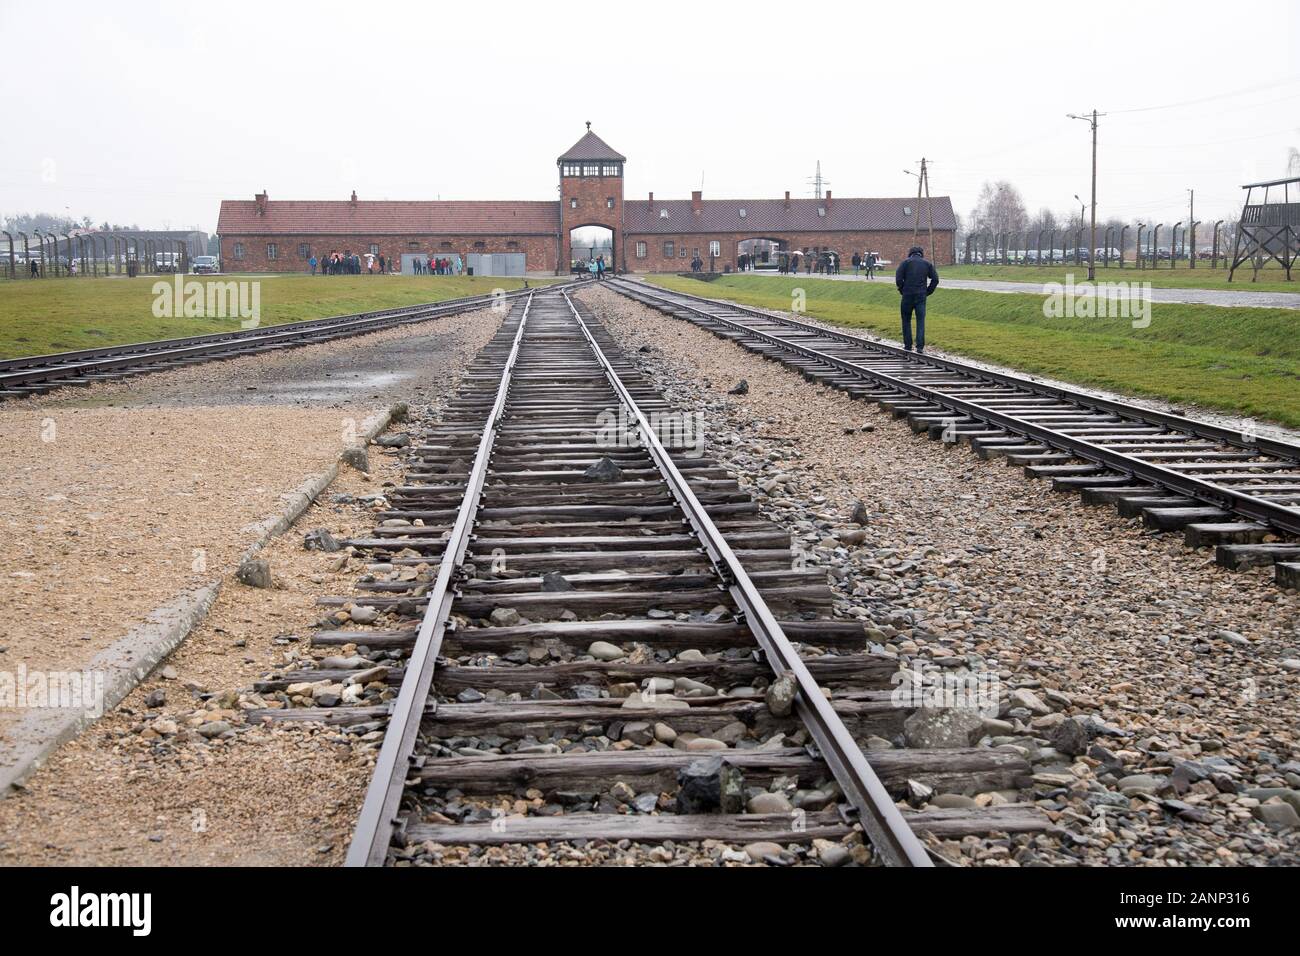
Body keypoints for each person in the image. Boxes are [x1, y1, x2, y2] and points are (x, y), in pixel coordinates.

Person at [895, 245, 939, 354]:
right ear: (921, 254)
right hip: (921, 296)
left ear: (910, 253)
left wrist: (902, 289)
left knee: (906, 320)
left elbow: (898, 278)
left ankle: (908, 345)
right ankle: (920, 347)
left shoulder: (905, 263)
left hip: (907, 295)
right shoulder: (927, 264)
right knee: (920, 320)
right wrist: (928, 291)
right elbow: (935, 279)